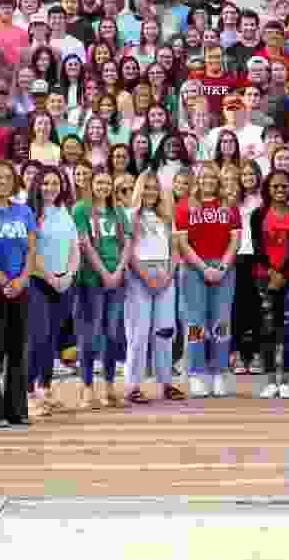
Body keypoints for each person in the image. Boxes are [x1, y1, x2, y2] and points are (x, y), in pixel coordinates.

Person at [0, 158, 39, 426]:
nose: (2, 181)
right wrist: (4, 281)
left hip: (20, 288)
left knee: (17, 348)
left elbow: (32, 250)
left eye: (7, 177)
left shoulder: (24, 212)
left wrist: (22, 279)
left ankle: (17, 410)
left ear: (15, 181)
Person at [175, 161, 240, 398]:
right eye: (203, 178)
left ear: (219, 181)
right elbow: (182, 243)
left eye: (213, 178)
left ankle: (219, 372)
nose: (208, 182)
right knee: (196, 323)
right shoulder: (184, 206)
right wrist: (203, 268)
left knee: (221, 321)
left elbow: (235, 240)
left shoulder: (229, 206)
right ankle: (196, 373)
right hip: (194, 268)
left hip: (223, 267)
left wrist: (221, 267)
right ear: (197, 181)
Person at [121, 170, 181, 402]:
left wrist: (168, 275)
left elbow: (175, 250)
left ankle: (166, 383)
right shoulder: (130, 216)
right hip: (139, 275)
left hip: (165, 274)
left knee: (165, 331)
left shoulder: (166, 217)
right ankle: (132, 385)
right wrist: (145, 276)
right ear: (139, 189)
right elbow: (129, 251)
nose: (150, 192)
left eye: (154, 187)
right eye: (146, 187)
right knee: (138, 331)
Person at [249, 167, 289, 401]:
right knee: (267, 328)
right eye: (275, 186)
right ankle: (270, 380)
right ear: (268, 189)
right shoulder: (258, 214)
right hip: (264, 277)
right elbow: (257, 247)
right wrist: (272, 273)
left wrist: (281, 273)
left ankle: (285, 381)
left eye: (284, 186)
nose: (280, 190)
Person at [72, 168, 129, 408]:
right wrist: (104, 273)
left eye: (107, 183)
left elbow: (127, 243)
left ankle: (108, 386)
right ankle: (86, 387)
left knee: (113, 334)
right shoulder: (81, 209)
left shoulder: (118, 211)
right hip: (92, 280)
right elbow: (84, 244)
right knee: (90, 334)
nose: (103, 187)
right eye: (99, 182)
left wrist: (118, 272)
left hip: (116, 279)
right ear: (91, 184)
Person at [26, 166, 80, 412]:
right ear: (37, 185)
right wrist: (50, 277)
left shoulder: (64, 212)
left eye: (55, 183)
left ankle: (45, 389)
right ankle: (27, 392)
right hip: (38, 282)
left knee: (53, 339)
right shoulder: (30, 212)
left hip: (63, 282)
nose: (50, 188)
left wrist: (68, 274)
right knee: (39, 337)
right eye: (45, 183)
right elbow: (31, 253)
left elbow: (74, 248)